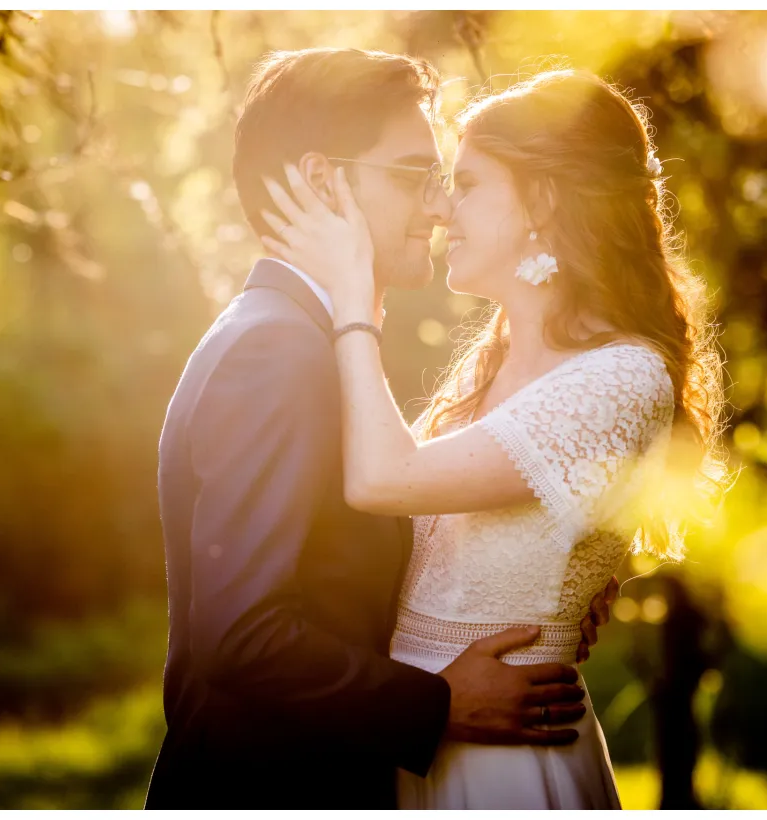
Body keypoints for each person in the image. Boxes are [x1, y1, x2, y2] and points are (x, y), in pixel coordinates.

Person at [145, 51, 618, 810]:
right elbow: (241, 632)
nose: (436, 209)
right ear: (322, 182)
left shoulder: (308, 339)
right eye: (410, 176)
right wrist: (437, 705)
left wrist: (543, 592)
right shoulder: (278, 351)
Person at [259, 68, 727, 809]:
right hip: (421, 736)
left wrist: (354, 296)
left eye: (467, 183)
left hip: (502, 765)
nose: (441, 208)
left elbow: (383, 480)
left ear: (543, 198)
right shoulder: (495, 354)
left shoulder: (622, 377)